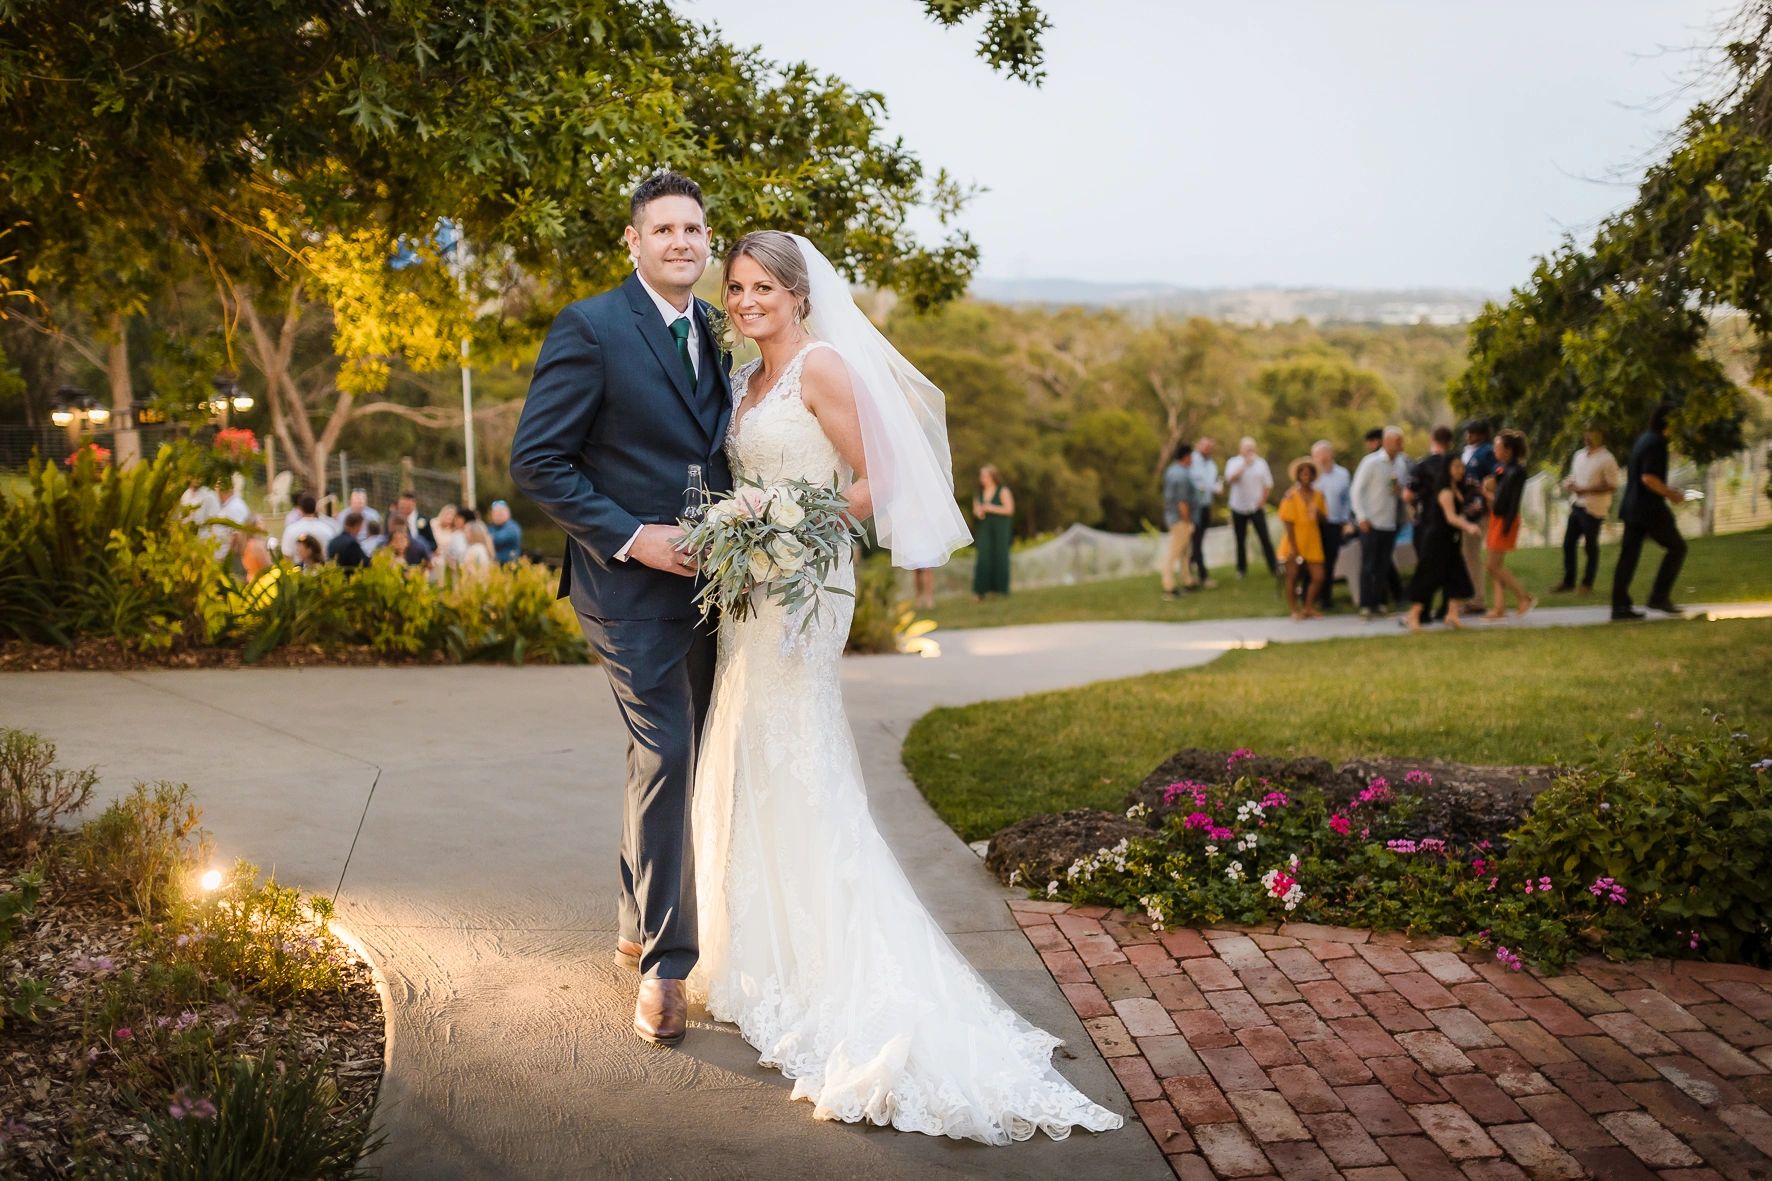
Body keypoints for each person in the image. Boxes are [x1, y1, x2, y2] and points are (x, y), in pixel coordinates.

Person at [676, 225, 1116, 1142]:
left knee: (795, 749)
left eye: (764, 288)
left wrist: (790, 527)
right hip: (755, 587)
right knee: (748, 744)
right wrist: (744, 532)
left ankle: (829, 966)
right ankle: (758, 952)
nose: (749, 301)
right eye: (739, 288)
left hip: (804, 582)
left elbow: (876, 479)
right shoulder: (745, 376)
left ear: (799, 293)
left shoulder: (824, 368)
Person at [511, 173, 737, 1049]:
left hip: (713, 586)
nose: (682, 241)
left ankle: (632, 918)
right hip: (625, 587)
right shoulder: (592, 326)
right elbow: (539, 460)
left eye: (695, 228)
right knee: (669, 746)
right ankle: (666, 968)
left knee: (668, 754)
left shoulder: (714, 330)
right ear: (633, 242)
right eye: (665, 228)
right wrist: (633, 537)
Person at [1611, 401, 1691, 620]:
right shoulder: (1657, 443)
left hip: (1632, 507)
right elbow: (1648, 477)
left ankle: (1619, 607)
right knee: (1677, 548)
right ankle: (1659, 597)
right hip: (1649, 509)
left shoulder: (1643, 439)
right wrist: (1670, 494)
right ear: (1669, 422)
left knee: (1628, 556)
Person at [1403, 442, 1480, 632]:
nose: (1460, 470)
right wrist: (1469, 526)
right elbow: (1451, 517)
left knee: (1457, 577)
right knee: (1428, 578)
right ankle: (1413, 616)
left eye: (1461, 466)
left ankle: (1451, 615)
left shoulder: (1457, 489)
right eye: (1455, 467)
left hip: (1450, 541)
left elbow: (1459, 514)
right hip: (1436, 540)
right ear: (1446, 468)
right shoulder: (1444, 490)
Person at [1551, 424, 1619, 594]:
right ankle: (1568, 581)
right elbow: (1575, 476)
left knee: (1590, 546)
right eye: (1586, 433)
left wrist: (1587, 489)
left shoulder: (1607, 459)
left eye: (1592, 433)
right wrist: (1570, 483)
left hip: (1594, 508)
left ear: (1601, 435)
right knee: (1568, 544)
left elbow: (1611, 485)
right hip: (1577, 505)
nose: (1588, 437)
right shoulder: (1579, 455)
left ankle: (1587, 583)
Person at [1351, 426, 1405, 617]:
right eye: (1396, 441)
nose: (1399, 445)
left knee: (1383, 565)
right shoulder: (1371, 462)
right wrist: (1361, 517)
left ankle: (1379, 601)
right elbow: (1356, 490)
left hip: (1389, 522)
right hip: (1371, 521)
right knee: (1368, 565)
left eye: (1401, 441)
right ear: (1386, 442)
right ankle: (1366, 604)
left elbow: (1402, 490)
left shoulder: (1400, 464)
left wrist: (1399, 489)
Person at [1482, 428, 1535, 619]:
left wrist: (1487, 493)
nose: (1494, 451)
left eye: (1497, 447)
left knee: (1492, 565)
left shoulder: (1517, 471)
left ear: (1508, 450)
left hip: (1506, 520)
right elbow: (1495, 495)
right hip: (1496, 518)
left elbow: (1511, 502)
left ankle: (1524, 597)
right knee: (1495, 565)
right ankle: (1499, 608)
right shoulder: (1501, 469)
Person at [1276, 458, 1326, 619]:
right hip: (1295, 540)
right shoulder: (1291, 496)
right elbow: (1287, 522)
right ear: (1298, 476)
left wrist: (1318, 513)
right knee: (1292, 576)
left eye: (1309, 474)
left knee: (1319, 576)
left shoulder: (1318, 495)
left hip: (1313, 539)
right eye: (1303, 474)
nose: (1306, 476)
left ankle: (1308, 607)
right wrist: (1294, 548)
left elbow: (1325, 518)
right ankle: (1294, 610)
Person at [1223, 436, 1278, 577]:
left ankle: (1274, 567)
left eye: (1252, 448)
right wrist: (1244, 465)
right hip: (1238, 507)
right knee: (1240, 539)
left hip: (1256, 507)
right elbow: (1230, 479)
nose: (1250, 451)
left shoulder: (1261, 463)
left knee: (1264, 538)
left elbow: (1268, 484)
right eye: (1247, 448)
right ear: (1241, 449)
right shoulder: (1233, 462)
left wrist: (1262, 501)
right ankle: (1241, 569)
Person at [1458, 419, 1497, 611]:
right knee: (1467, 553)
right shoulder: (1468, 452)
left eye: (1471, 432)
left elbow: (1494, 477)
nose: (1468, 436)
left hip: (1477, 510)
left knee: (1471, 553)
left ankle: (1478, 599)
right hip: (1465, 508)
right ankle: (1471, 594)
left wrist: (1484, 495)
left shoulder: (1487, 452)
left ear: (1481, 434)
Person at [1310, 440, 1352, 609]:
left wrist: (1346, 521)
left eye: (1318, 455)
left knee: (1329, 561)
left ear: (1328, 455)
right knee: (1313, 562)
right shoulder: (1311, 475)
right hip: (1314, 526)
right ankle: (1310, 597)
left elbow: (1346, 501)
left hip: (1334, 524)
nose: (1316, 458)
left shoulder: (1342, 474)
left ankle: (1326, 598)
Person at [1159, 442, 1198, 598]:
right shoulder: (1182, 475)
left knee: (1185, 553)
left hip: (1172, 516)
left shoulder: (1171, 471)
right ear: (1187, 456)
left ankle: (1187, 581)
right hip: (1180, 520)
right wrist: (1188, 522)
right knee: (1174, 554)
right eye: (1191, 456)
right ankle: (1168, 587)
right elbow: (1182, 502)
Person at [971, 464, 1013, 599]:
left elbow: (1009, 510)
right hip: (984, 529)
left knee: (1000, 556)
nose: (982, 479)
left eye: (985, 476)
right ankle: (980, 591)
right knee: (983, 557)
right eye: (981, 476)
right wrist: (979, 512)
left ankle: (1000, 590)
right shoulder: (979, 494)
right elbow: (977, 512)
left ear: (992, 477)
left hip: (1000, 528)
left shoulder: (1003, 491)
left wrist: (991, 508)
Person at [1189, 435, 1220, 588]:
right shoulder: (1192, 461)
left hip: (1206, 505)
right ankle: (1203, 575)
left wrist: (1216, 487)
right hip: (1194, 507)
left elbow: (1213, 483)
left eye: (1209, 447)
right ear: (1198, 446)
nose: (1207, 449)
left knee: (1198, 541)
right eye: (1205, 446)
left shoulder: (1211, 464)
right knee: (1196, 542)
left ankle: (1188, 571)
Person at [279, 492, 337, 561]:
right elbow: (332, 555)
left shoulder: (290, 530)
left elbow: (287, 557)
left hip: (298, 570)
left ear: (300, 509)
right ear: (315, 508)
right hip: (323, 570)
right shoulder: (328, 530)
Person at [487, 499, 524, 564]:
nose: (497, 515)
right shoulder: (492, 527)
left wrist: (488, 538)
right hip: (495, 564)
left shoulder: (512, 527)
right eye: (495, 513)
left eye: (500, 513)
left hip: (509, 565)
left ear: (508, 513)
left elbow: (497, 539)